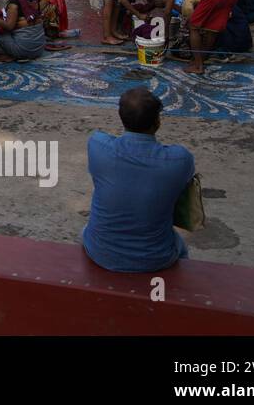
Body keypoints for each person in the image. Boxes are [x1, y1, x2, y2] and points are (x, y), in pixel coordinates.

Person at [82, 87, 195, 273]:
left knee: (88, 230)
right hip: (155, 258)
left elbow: (103, 138)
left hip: (101, 253)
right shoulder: (180, 159)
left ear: (121, 117)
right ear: (157, 122)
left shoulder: (97, 145)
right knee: (180, 246)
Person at [159, 0, 238, 74]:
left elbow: (167, 12)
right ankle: (201, 60)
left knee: (193, 26)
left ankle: (198, 65)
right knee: (212, 28)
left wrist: (165, 36)